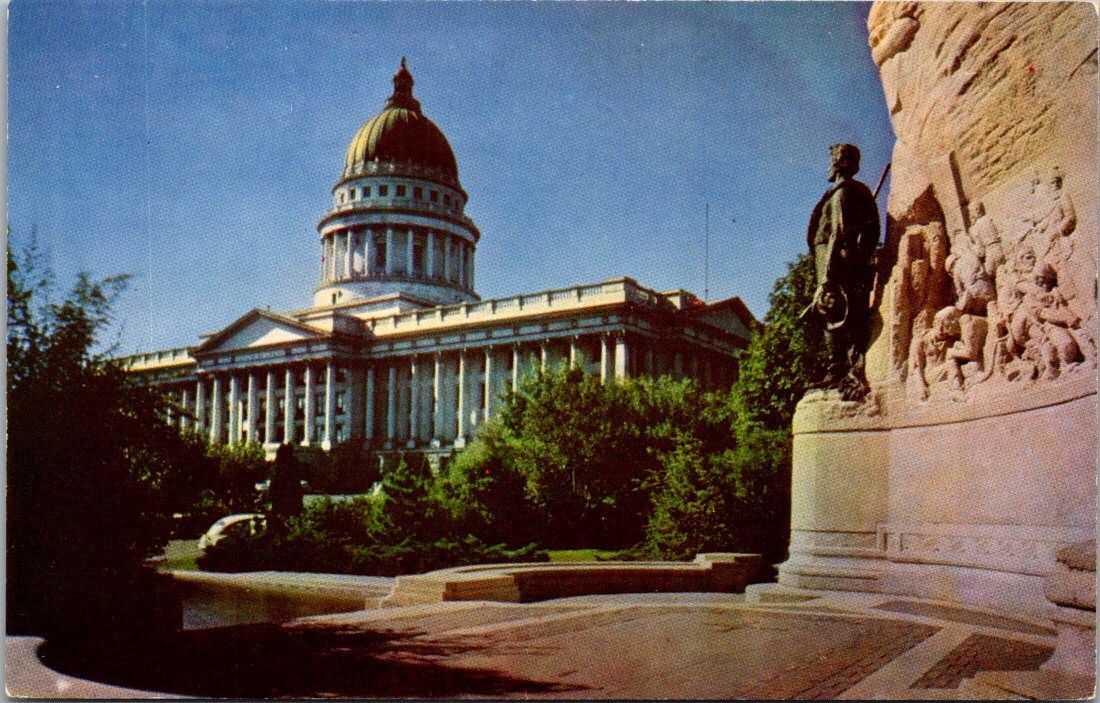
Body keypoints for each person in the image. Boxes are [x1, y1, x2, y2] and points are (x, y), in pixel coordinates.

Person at [805, 143, 881, 399]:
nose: (829, 165)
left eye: (832, 160)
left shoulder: (842, 193)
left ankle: (838, 370)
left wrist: (827, 275)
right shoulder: (850, 191)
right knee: (834, 312)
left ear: (839, 163)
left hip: (834, 262)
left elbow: (838, 231)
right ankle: (838, 368)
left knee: (833, 311)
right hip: (835, 260)